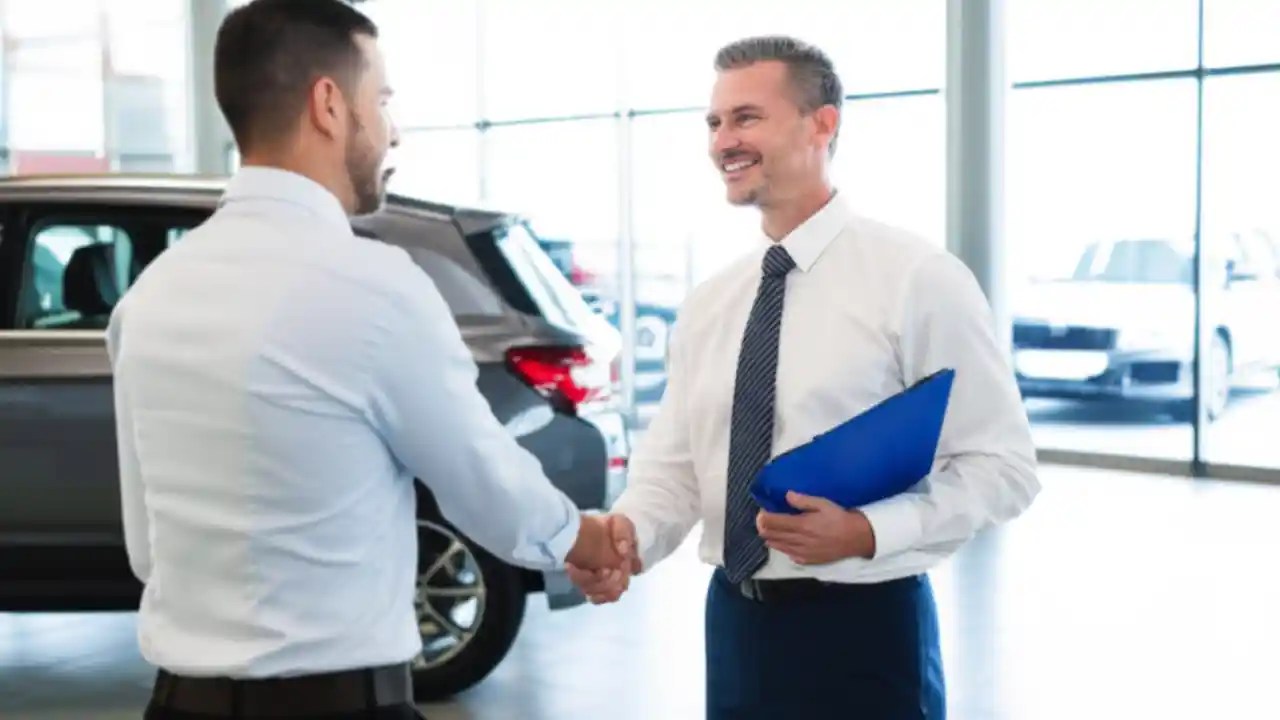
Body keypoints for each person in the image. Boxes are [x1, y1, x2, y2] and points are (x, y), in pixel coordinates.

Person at [106, 2, 627, 718]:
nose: (392, 129)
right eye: (380, 101)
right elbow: (481, 482)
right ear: (329, 104)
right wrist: (578, 537)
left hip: (179, 703)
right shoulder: (373, 288)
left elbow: (148, 546)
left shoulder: (147, 299)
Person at [568, 35, 1040, 719]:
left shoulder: (917, 279)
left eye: (746, 117)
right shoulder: (711, 305)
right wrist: (627, 538)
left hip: (866, 631)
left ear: (823, 124)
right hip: (736, 625)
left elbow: (1005, 467)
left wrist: (870, 530)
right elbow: (675, 469)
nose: (722, 140)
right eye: (715, 122)